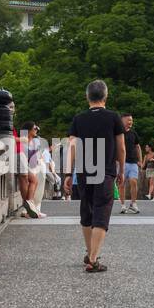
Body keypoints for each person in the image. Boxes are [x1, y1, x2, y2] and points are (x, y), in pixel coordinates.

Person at [63, 79, 125, 272]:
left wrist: (68, 173)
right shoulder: (113, 118)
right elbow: (121, 148)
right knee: (101, 211)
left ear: (87, 96)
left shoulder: (78, 119)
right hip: (105, 171)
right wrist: (121, 170)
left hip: (83, 171)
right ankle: (93, 258)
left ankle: (90, 253)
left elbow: (72, 148)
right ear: (105, 96)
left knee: (87, 211)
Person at [118, 113, 142, 214]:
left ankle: (133, 203)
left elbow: (138, 147)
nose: (130, 122)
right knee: (121, 184)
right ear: (122, 120)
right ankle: (123, 205)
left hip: (133, 162)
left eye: (131, 120)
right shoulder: (118, 133)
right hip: (121, 162)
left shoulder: (133, 134)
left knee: (133, 181)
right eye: (128, 120)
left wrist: (140, 160)